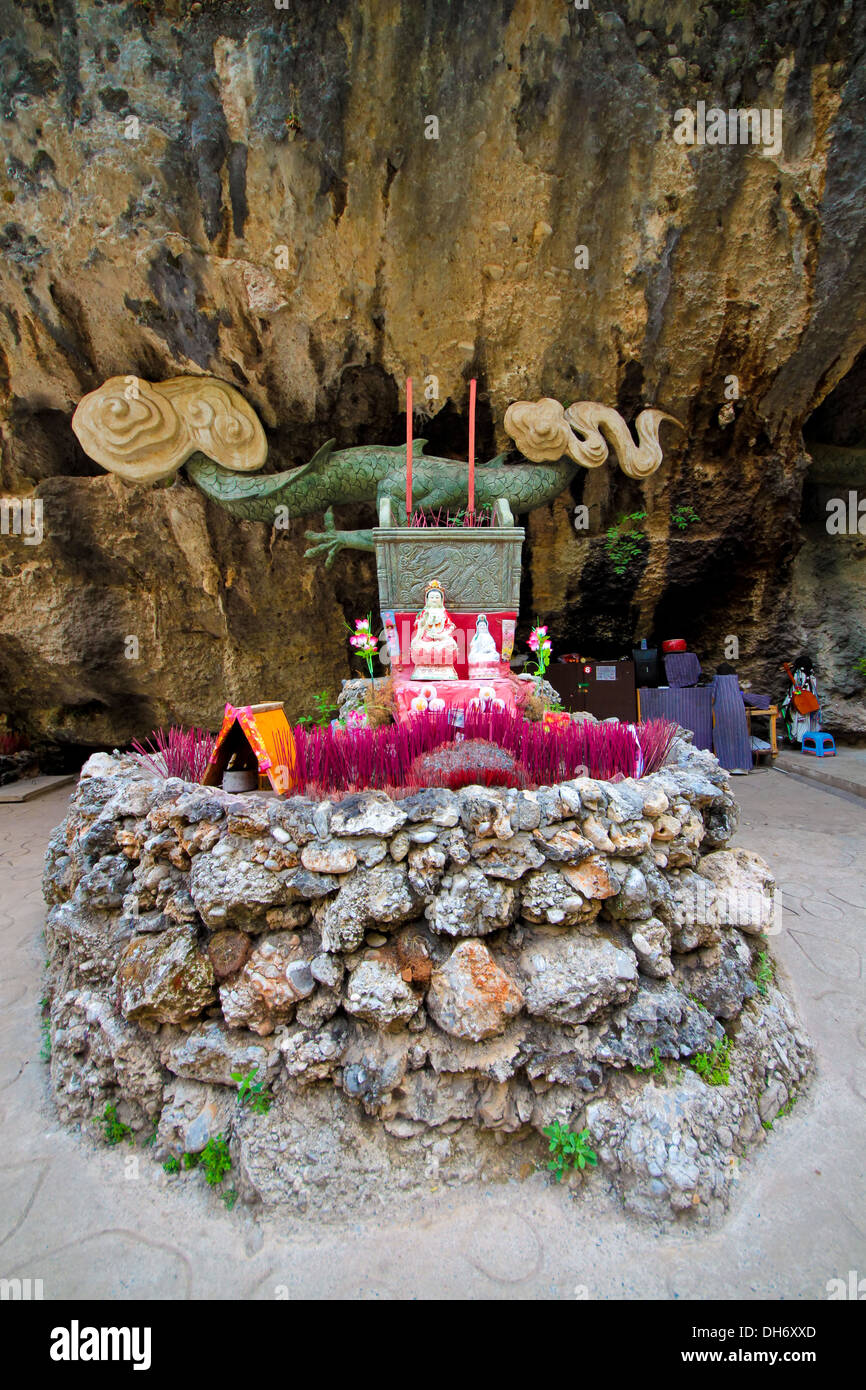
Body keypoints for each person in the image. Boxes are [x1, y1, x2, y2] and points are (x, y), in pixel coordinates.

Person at [410, 580, 459, 680]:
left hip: (441, 638)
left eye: (437, 597)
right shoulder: (424, 612)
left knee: (449, 645)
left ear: (441, 599)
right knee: (418, 647)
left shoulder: (443, 612)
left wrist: (443, 635)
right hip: (426, 637)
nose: (434, 599)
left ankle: (445, 669)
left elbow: (450, 626)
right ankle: (423, 668)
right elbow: (418, 625)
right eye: (431, 597)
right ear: (427, 599)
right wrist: (422, 623)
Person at [468, 613, 501, 679]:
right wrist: (477, 651)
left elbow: (492, 646)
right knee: (473, 657)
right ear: (478, 627)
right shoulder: (476, 637)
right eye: (481, 626)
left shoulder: (489, 637)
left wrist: (489, 650)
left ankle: (491, 673)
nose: (482, 627)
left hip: (488, 654)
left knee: (495, 656)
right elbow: (473, 647)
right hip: (479, 654)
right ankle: (477, 673)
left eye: (484, 625)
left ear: (486, 627)